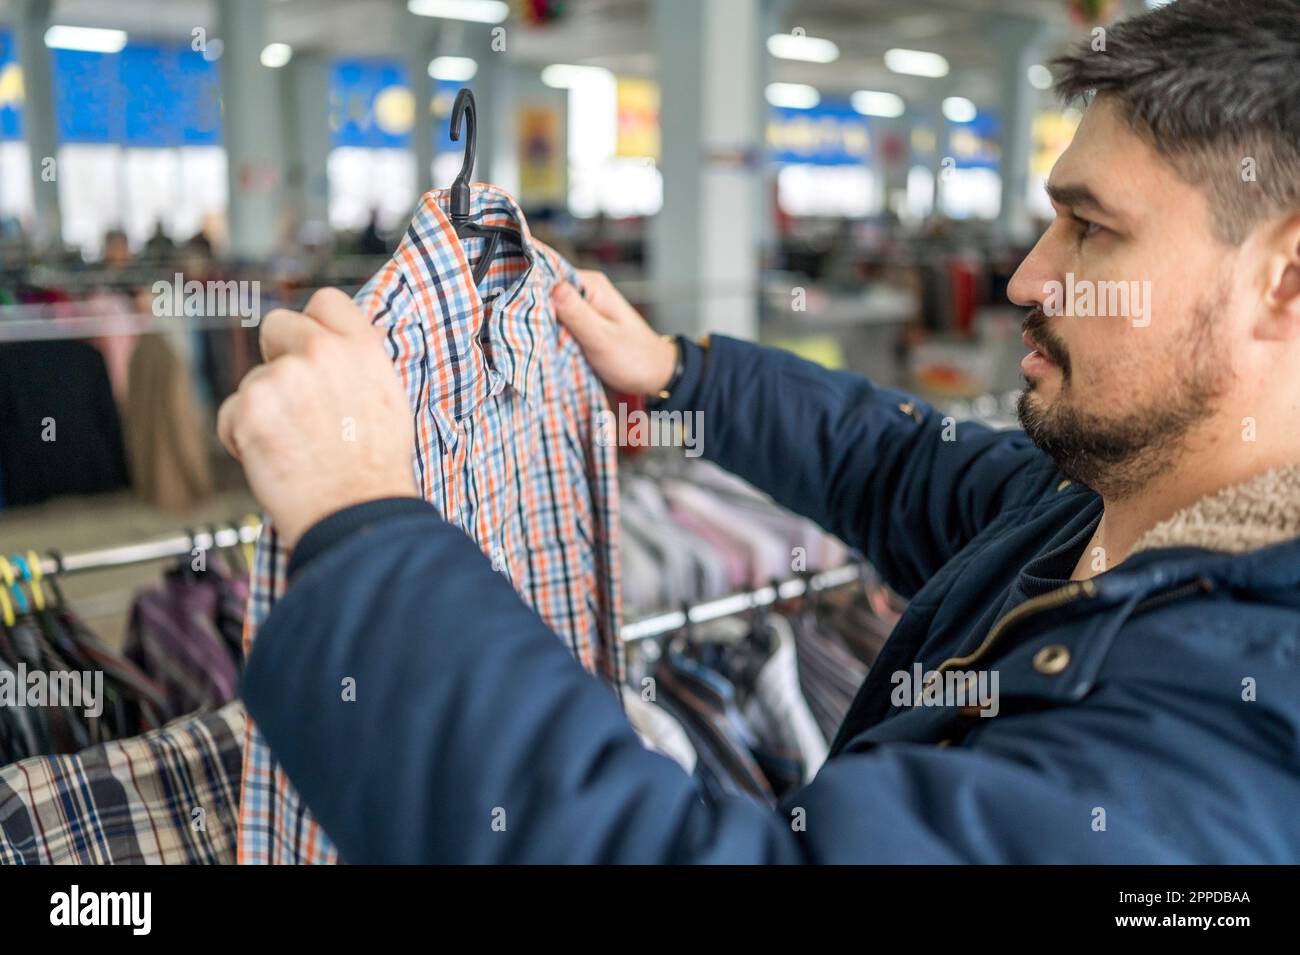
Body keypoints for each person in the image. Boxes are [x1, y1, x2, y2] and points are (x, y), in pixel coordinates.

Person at [217, 0, 1300, 862]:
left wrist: (361, 525)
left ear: (1282, 278)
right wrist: (678, 377)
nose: (1025, 275)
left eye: (1090, 229)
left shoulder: (1226, 743)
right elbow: (890, 460)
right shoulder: (1102, 503)